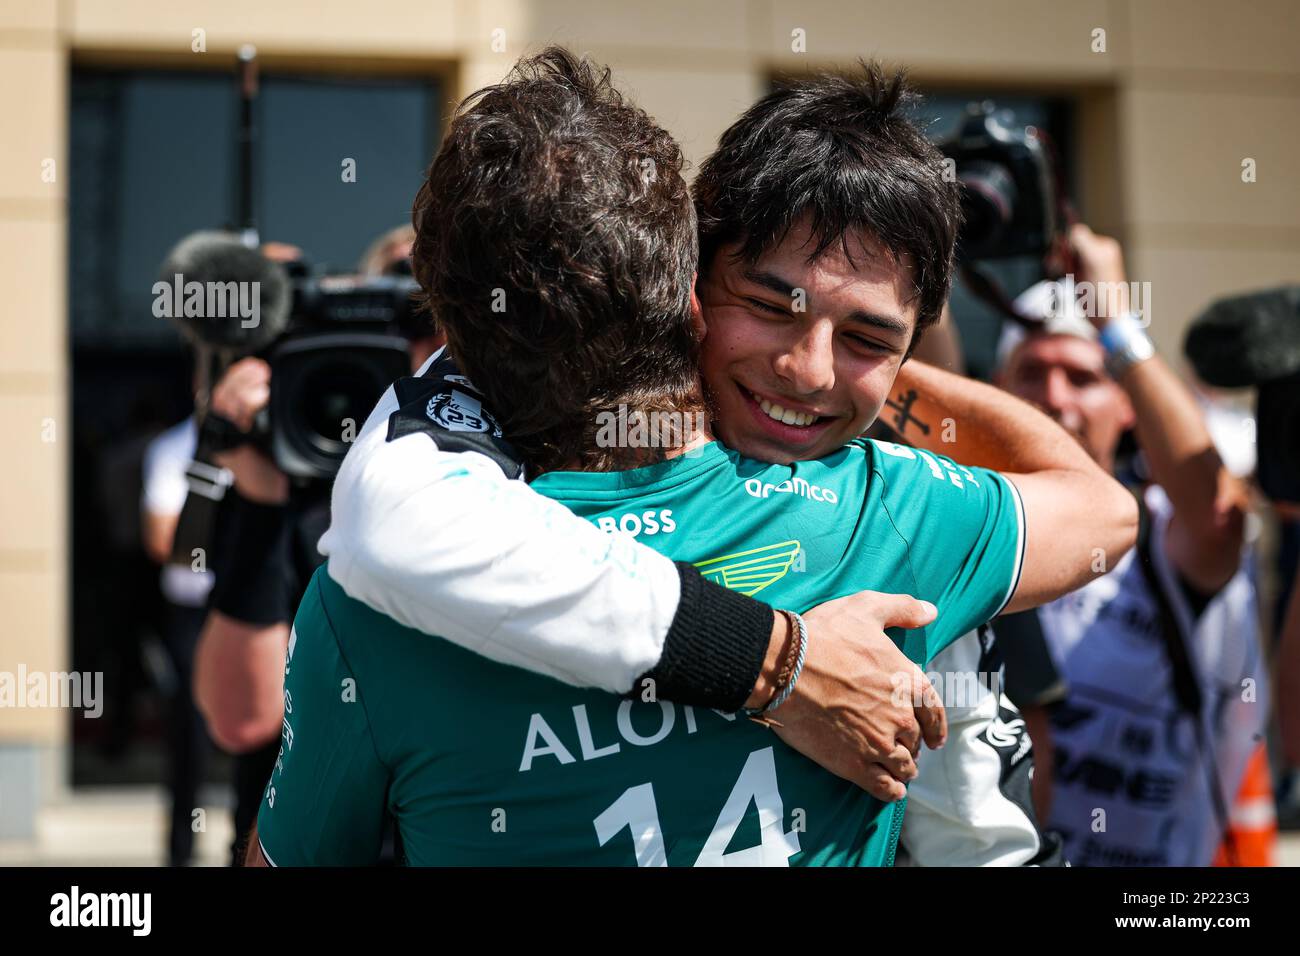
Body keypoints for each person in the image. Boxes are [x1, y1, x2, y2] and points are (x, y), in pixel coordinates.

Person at [249, 47, 1134, 866]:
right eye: (771, 306)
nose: (808, 368)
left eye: (865, 336)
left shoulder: (363, 598)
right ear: (689, 280)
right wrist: (881, 375)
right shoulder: (892, 513)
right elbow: (1100, 511)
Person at [994, 223, 1268, 866]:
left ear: (1126, 406)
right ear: (999, 392)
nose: (1054, 399)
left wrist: (1115, 317)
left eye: (1082, 377)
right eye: (1031, 372)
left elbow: (1218, 513)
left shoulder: (1163, 534)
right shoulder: (975, 527)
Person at [141, 411, 218, 866]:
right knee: (188, 739)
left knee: (272, 736)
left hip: (256, 600)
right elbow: (160, 539)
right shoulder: (172, 447)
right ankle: (180, 854)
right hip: (192, 611)